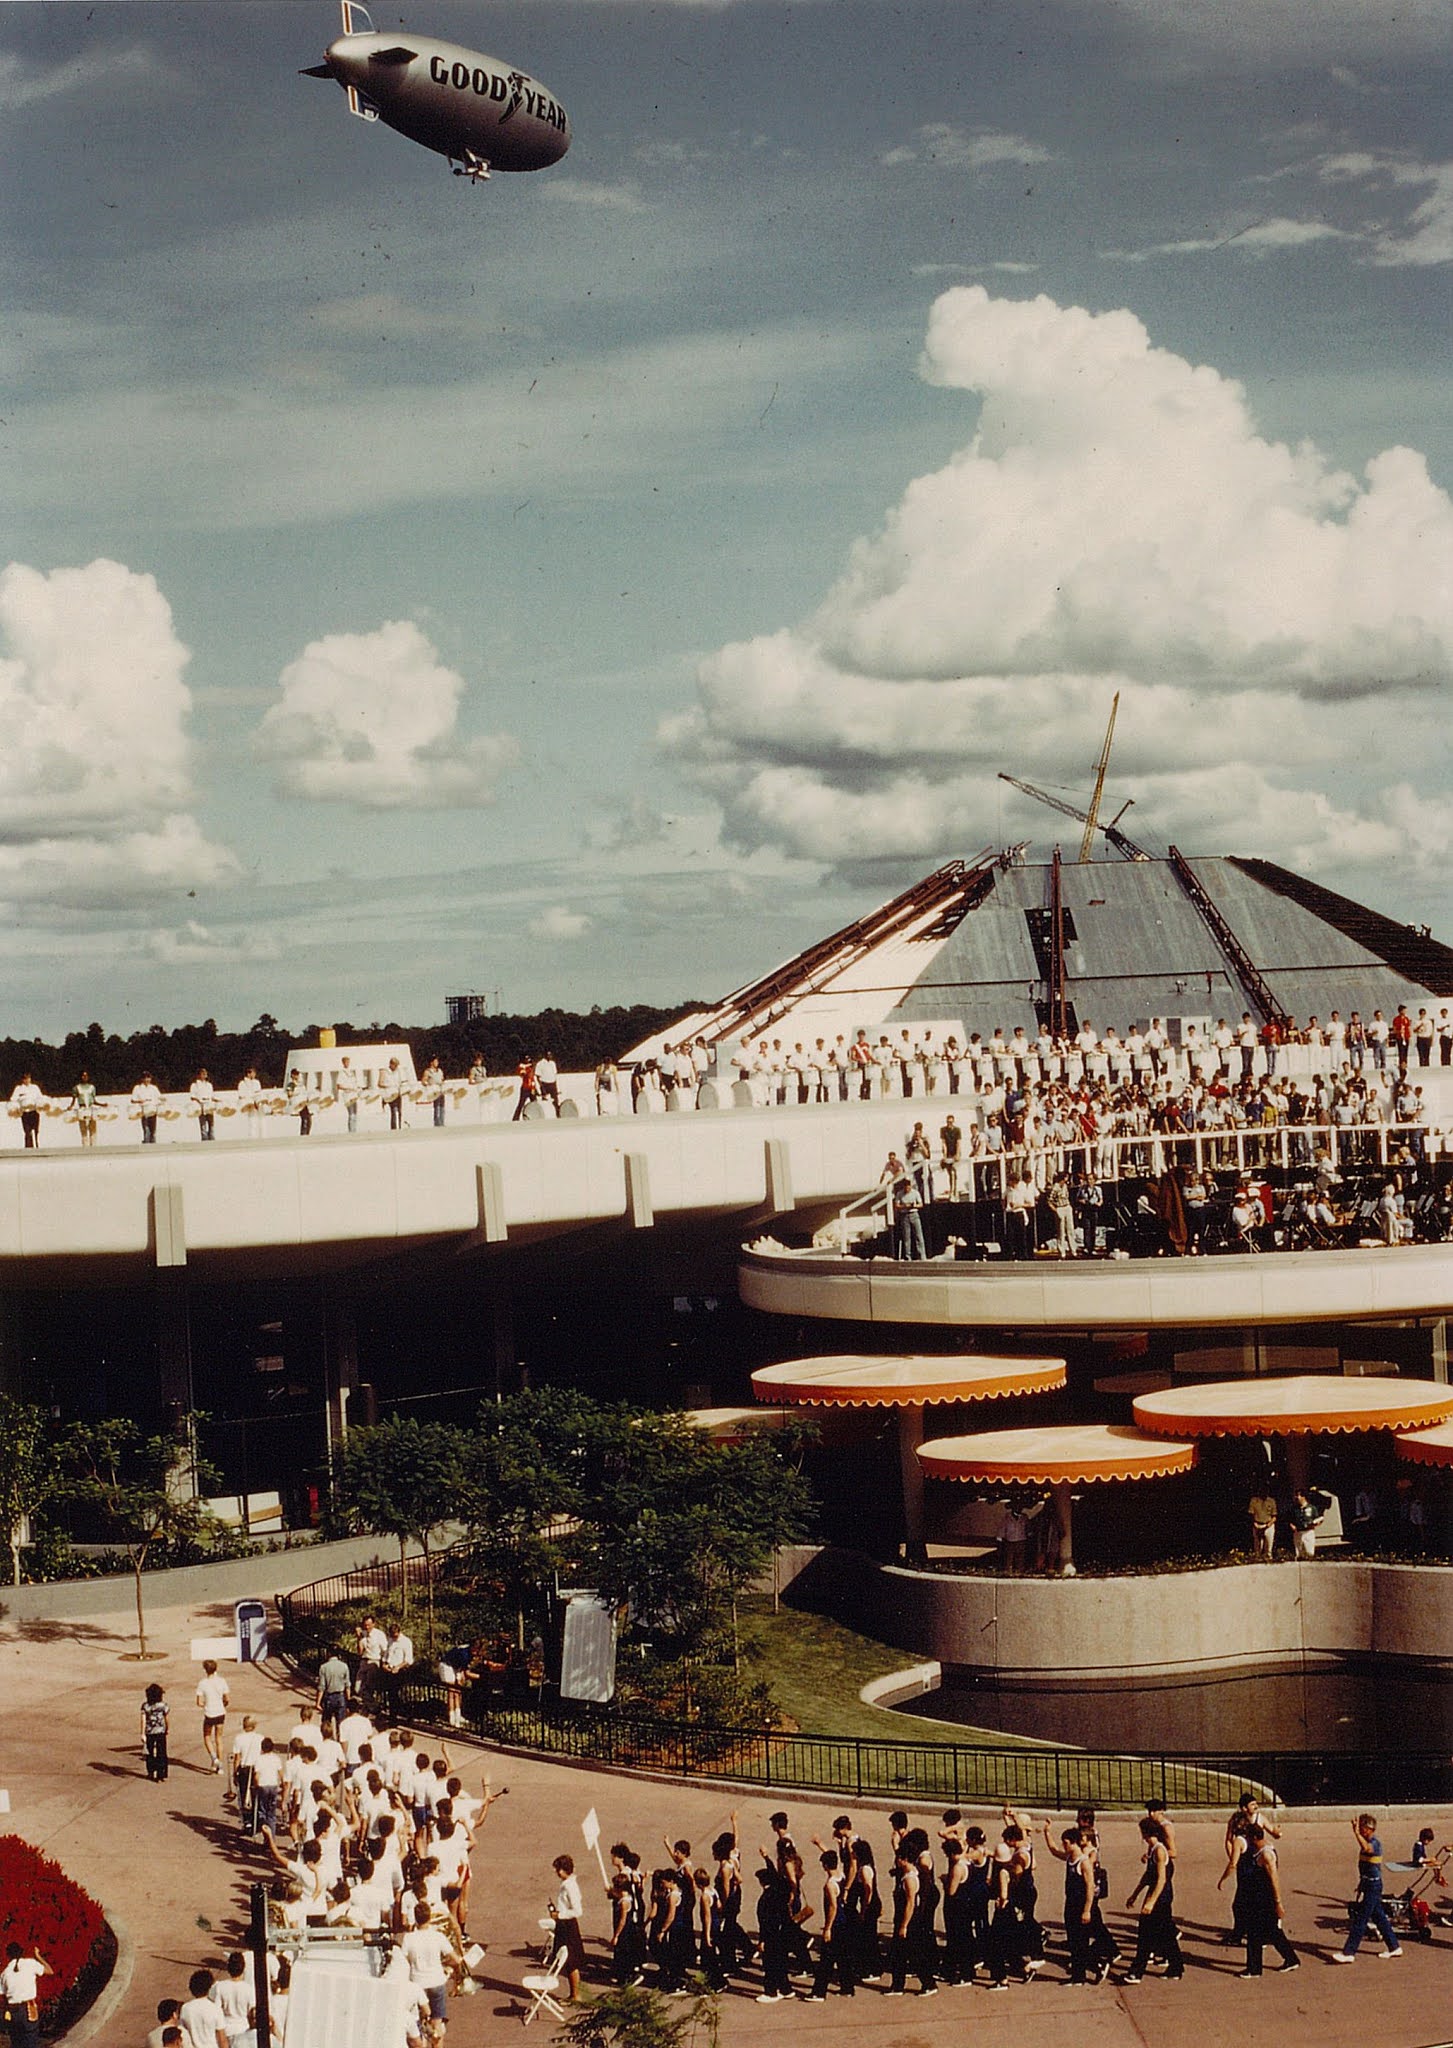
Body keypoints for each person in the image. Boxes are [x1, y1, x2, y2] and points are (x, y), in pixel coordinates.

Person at [1333, 1814, 1403, 1960]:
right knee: (1379, 1917)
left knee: (1361, 1920)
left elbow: (1367, 1849)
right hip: (1369, 1884)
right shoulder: (1367, 1841)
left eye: (1361, 1828)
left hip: (1373, 1885)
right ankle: (1394, 1947)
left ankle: (1349, 1953)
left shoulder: (1374, 1843)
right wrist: (1361, 1883)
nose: (1360, 1831)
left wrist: (1356, 1834)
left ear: (1368, 1829)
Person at [1122, 1816, 1182, 1981]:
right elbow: (1148, 1875)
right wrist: (1135, 1894)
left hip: (1160, 1896)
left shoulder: (1159, 1851)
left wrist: (1150, 1902)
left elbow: (1161, 1879)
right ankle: (1176, 1966)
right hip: (1155, 1894)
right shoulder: (1151, 1850)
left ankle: (1137, 1971)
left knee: (1145, 1934)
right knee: (1165, 1933)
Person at [1237, 1824, 1299, 1976]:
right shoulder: (1257, 1850)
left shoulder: (1266, 1855)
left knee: (1253, 1932)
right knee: (1272, 1931)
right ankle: (1291, 1959)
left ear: (1255, 1838)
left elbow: (1274, 1879)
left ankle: (1254, 1969)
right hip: (1258, 1898)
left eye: (1248, 1838)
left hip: (1264, 1900)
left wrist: (1278, 1903)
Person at [549, 1853, 586, 2002]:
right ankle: (573, 1993)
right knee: (568, 1961)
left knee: (571, 1961)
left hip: (568, 1925)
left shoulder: (571, 1887)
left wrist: (560, 1915)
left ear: (563, 1869)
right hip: (564, 1924)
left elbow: (578, 1910)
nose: (556, 1872)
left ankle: (575, 1994)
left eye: (558, 1869)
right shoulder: (567, 1884)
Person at [1, 1940, 50, 2048]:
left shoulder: (5, 1973)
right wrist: (38, 1956)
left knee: (17, 2043)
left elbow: (3, 1996)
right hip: (28, 2010)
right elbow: (49, 1971)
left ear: (8, 1956)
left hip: (13, 2013)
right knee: (30, 2041)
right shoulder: (30, 1963)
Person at [196, 1658, 229, 1775]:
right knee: (219, 1739)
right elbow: (226, 1698)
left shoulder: (202, 1683)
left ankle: (214, 1759)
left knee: (207, 1736)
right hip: (220, 1712)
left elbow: (199, 1702)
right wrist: (222, 1704)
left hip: (209, 1713)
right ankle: (220, 1766)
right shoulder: (222, 1681)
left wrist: (206, 1704)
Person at [316, 1647, 351, 1737]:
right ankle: (341, 1742)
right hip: (340, 1696)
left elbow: (321, 1687)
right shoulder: (344, 1666)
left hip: (329, 1697)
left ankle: (328, 1740)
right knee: (341, 1724)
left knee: (327, 1723)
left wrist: (318, 1702)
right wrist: (348, 1699)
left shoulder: (324, 1667)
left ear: (329, 1654)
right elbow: (347, 1685)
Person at [141, 1681, 170, 1782]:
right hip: (161, 1731)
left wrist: (142, 1733)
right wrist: (167, 1728)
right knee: (161, 1752)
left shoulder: (145, 1706)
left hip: (149, 1732)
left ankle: (150, 1772)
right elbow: (166, 1719)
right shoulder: (163, 1706)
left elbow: (143, 1720)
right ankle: (161, 1774)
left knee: (150, 1752)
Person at [70, 1071, 99, 1148]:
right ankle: (85, 1147)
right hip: (82, 1109)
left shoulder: (92, 1087)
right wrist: (70, 1106)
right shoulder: (76, 1088)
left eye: (86, 1076)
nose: (84, 1077)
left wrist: (102, 1104)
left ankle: (94, 1146)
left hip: (90, 1108)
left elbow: (94, 1100)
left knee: (93, 1129)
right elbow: (73, 1100)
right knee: (83, 1129)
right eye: (83, 1076)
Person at [132, 1071, 162, 1144]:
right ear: (142, 1079)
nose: (146, 1080)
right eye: (145, 1078)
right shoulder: (137, 1088)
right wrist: (139, 1101)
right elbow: (133, 1100)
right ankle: (146, 1141)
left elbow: (159, 1097)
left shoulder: (153, 1088)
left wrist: (162, 1099)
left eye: (148, 1078)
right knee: (146, 1129)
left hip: (152, 1109)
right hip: (143, 1110)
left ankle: (152, 1142)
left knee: (153, 1129)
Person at [1248, 1488, 1278, 1561]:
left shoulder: (1271, 1501)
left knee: (1268, 1547)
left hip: (1268, 1525)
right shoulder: (1254, 1501)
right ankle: (1258, 1559)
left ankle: (1269, 1560)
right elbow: (1250, 1514)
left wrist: (1268, 1524)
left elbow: (1274, 1516)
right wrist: (1255, 1524)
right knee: (1257, 1547)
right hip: (1257, 1525)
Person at [190, 1069, 216, 1141]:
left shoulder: (209, 1085)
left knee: (211, 1123)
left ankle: (211, 1137)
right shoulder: (195, 1085)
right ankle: (204, 1138)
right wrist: (199, 1101)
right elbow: (192, 1096)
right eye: (203, 1073)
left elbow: (212, 1096)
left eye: (205, 1073)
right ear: (199, 1075)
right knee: (203, 1124)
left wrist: (217, 1100)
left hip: (209, 1104)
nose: (205, 1075)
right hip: (200, 1104)